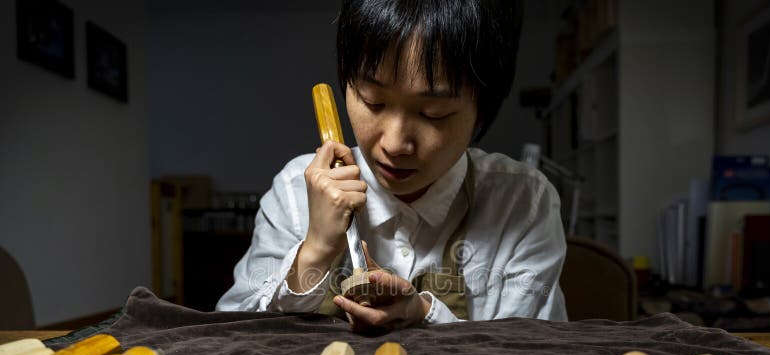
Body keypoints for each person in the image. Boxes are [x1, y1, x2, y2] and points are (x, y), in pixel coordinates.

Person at [217, 0, 567, 328]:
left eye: (434, 114)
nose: (395, 144)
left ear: (482, 110)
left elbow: (530, 350)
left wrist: (425, 315)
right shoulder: (296, 190)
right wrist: (315, 253)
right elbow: (232, 332)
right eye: (373, 102)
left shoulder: (523, 203)